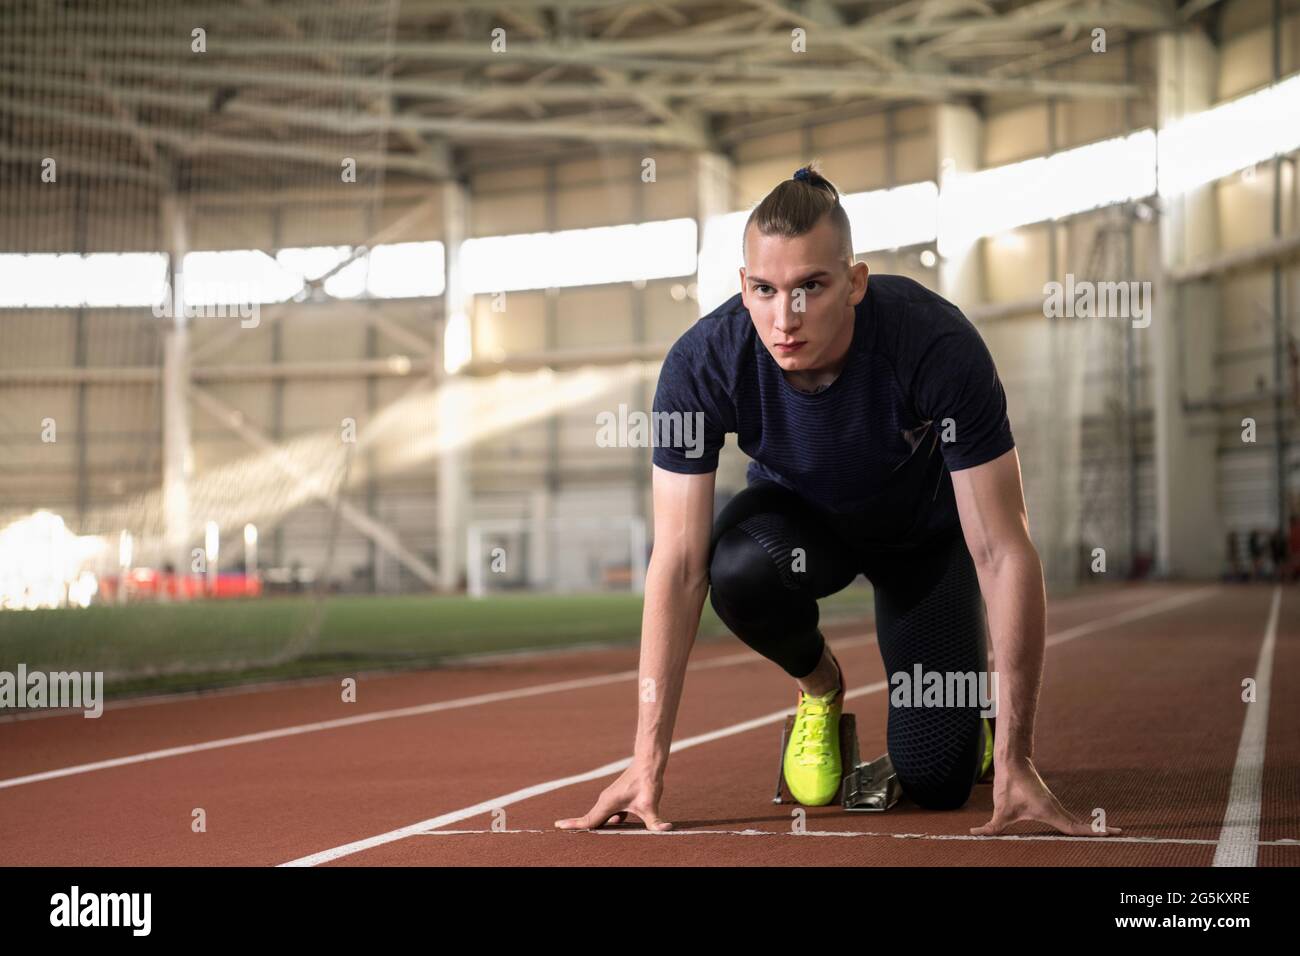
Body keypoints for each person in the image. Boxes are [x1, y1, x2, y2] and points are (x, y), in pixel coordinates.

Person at [555, 162, 1119, 838]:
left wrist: (1022, 758)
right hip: (802, 535)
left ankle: (981, 732)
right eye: (764, 290)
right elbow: (677, 566)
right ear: (743, 286)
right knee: (736, 569)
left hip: (921, 545)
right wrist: (646, 761)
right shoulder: (704, 363)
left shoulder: (935, 344)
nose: (783, 318)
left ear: (855, 282)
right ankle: (820, 687)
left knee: (938, 782)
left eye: (810, 288)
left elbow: (1002, 550)